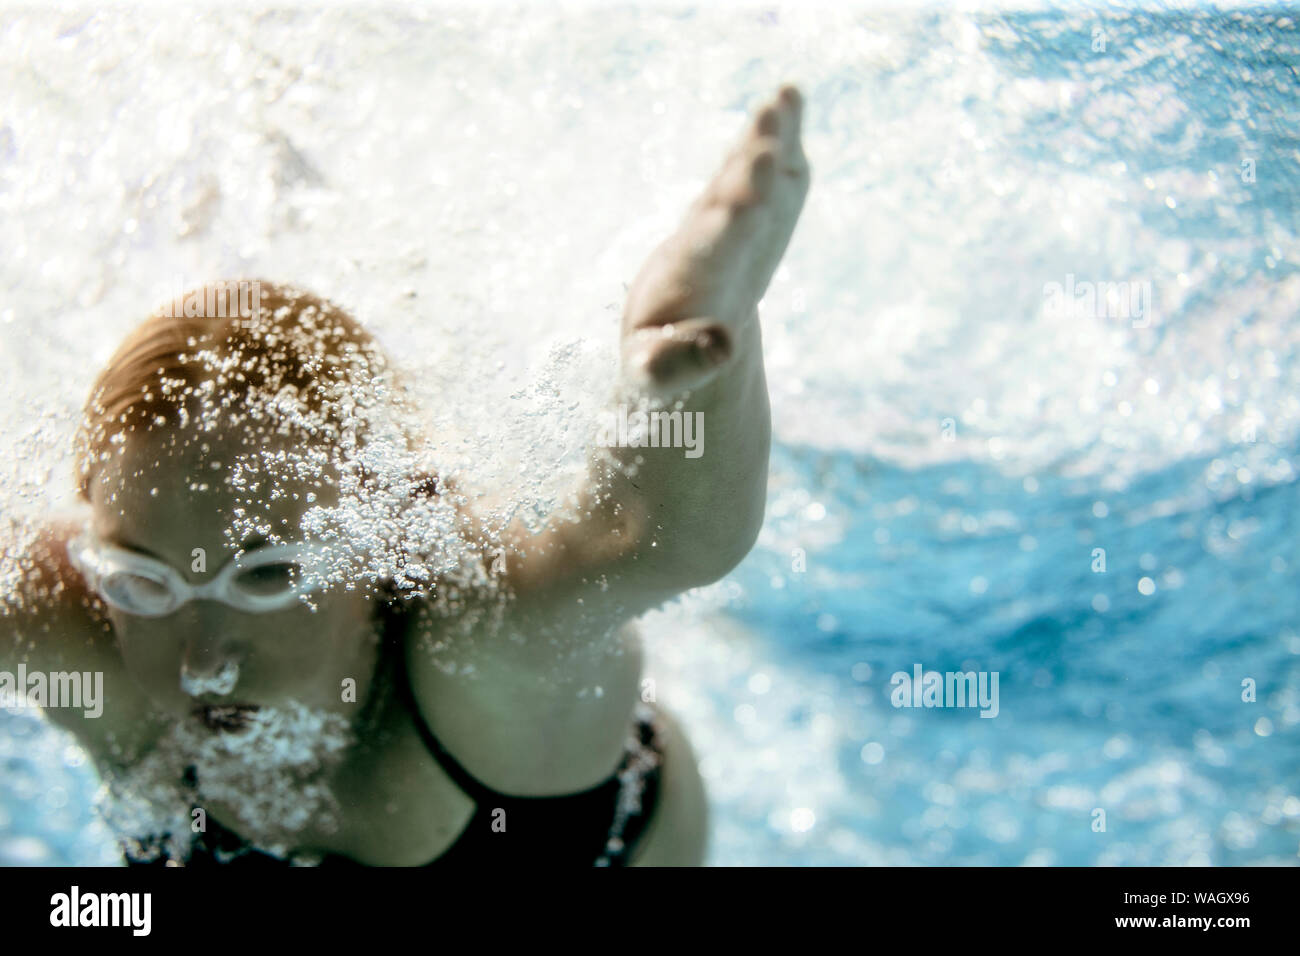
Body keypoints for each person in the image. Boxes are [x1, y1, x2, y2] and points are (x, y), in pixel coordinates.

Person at [0, 84, 810, 866]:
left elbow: (653, 539)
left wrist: (709, 348)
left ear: (380, 533)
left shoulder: (475, 663)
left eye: (270, 573)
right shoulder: (71, 631)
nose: (202, 661)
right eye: (143, 582)